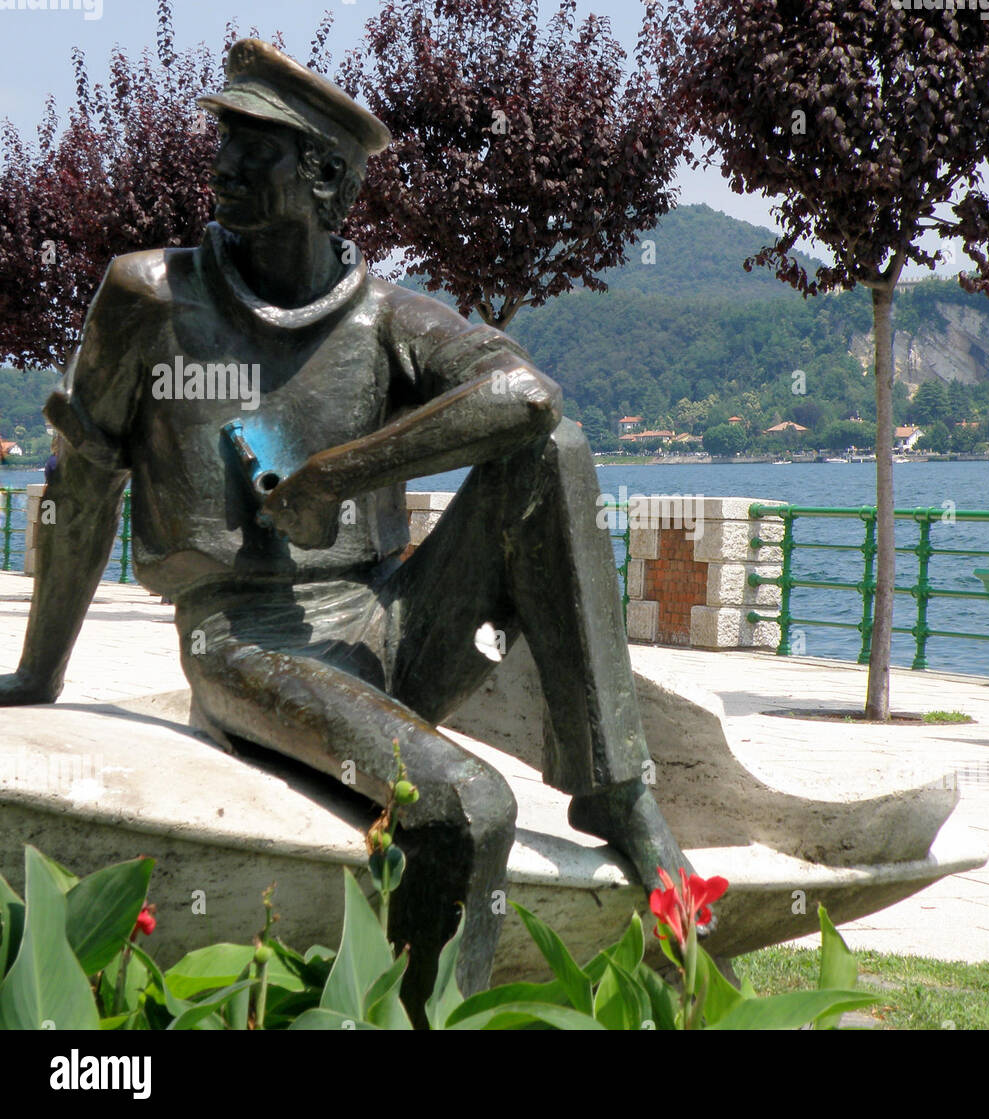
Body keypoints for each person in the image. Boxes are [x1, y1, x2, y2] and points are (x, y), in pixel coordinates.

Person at [0, 39, 698, 1010]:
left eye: (255, 148)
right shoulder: (151, 297)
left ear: (326, 176)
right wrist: (40, 674)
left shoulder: (382, 317)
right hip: (246, 635)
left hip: (393, 618)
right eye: (226, 139)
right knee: (468, 810)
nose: (224, 165)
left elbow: (526, 397)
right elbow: (85, 491)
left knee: (556, 450)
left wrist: (337, 473)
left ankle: (619, 793)